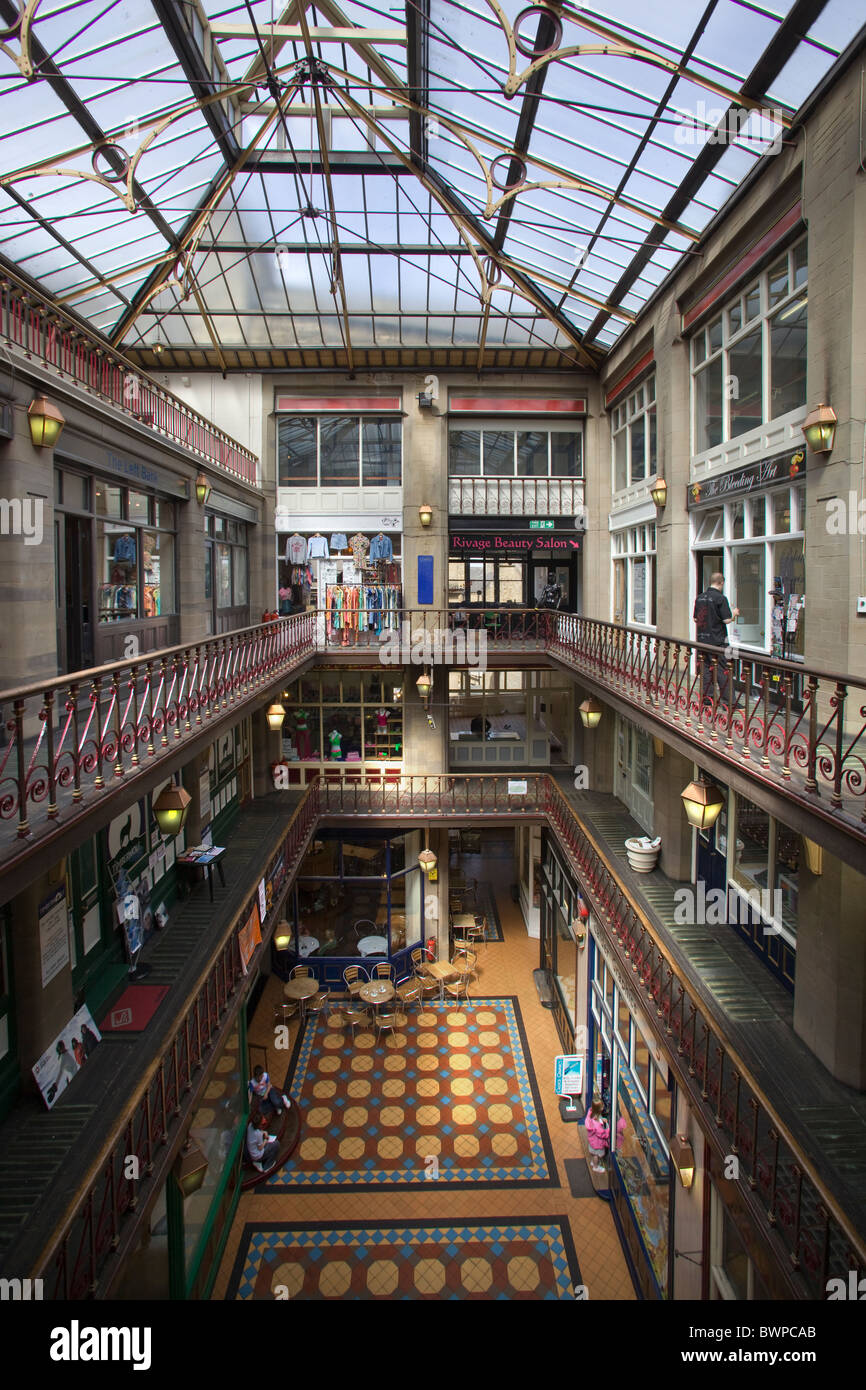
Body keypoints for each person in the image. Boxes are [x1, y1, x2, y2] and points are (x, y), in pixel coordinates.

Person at [693, 571, 740, 704]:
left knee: (706, 669)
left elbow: (696, 618)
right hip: (718, 640)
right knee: (723, 670)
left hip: (702, 640)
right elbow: (726, 620)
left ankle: (707, 698)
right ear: (721, 583)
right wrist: (734, 614)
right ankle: (728, 701)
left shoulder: (700, 597)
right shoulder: (721, 598)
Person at [585, 1097, 610, 1173]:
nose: (603, 1108)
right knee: (597, 1155)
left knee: (594, 1153)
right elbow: (602, 1134)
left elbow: (597, 1119)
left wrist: (601, 1119)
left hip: (592, 1140)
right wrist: (608, 1130)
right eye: (602, 1106)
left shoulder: (591, 1115)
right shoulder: (596, 1125)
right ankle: (595, 1166)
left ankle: (593, 1162)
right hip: (597, 1143)